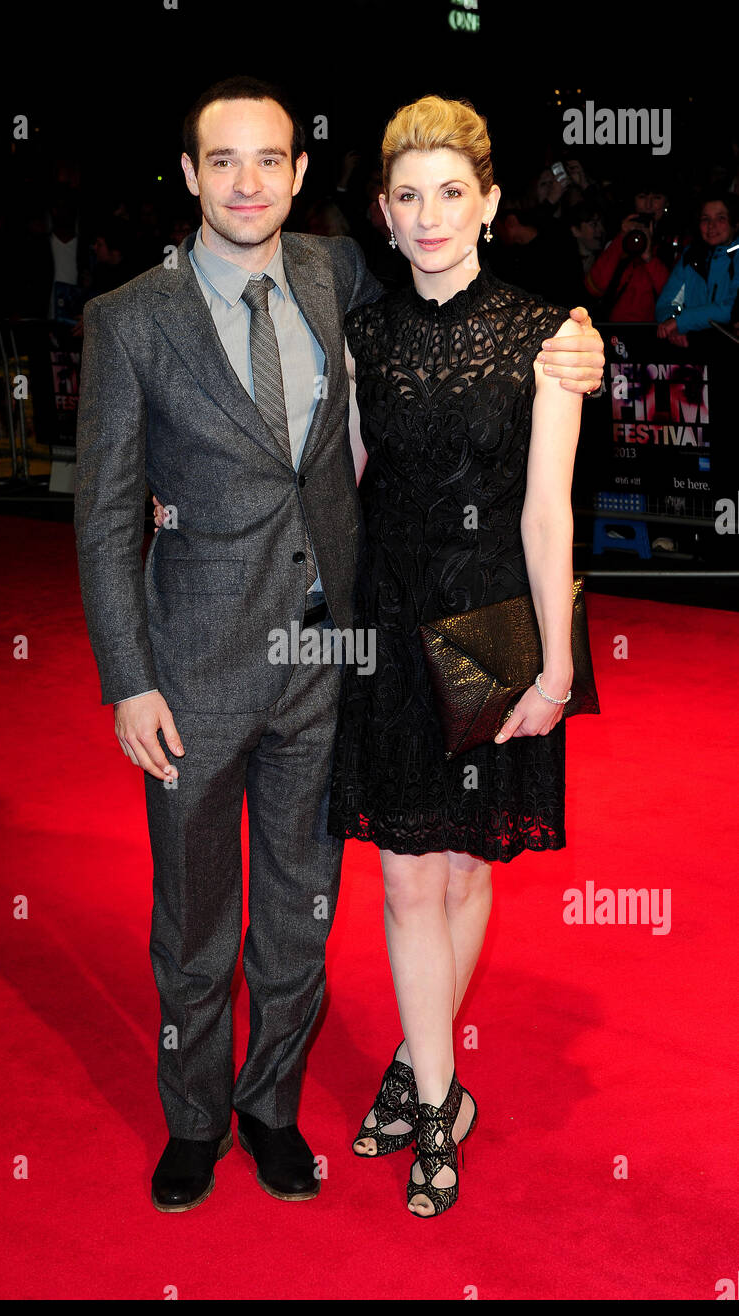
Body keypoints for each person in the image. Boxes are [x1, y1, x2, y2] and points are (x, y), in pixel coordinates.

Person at [79, 74, 605, 1218]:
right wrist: (130, 677)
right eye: (225, 161)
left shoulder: (338, 280)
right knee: (212, 907)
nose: (250, 181)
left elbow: (532, 455)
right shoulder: (141, 316)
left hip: (405, 640)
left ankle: (290, 1105)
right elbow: (107, 511)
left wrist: (587, 345)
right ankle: (199, 1118)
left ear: (303, 177)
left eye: (271, 159)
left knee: (359, 891)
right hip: (240, 652)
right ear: (189, 175)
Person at [325, 95, 587, 1218]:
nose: (430, 216)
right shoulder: (364, 336)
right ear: (385, 215)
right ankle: (440, 1102)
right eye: (408, 196)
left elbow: (546, 516)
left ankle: (415, 1061)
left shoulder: (549, 337)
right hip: (389, 624)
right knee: (402, 871)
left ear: (488, 204)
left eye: (451, 192)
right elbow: (337, 491)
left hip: (489, 631)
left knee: (469, 865)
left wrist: (558, 665)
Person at [655, 191, 739, 348]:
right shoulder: (692, 255)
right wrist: (671, 323)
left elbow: (732, 308)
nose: (711, 225)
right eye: (705, 219)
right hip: (695, 348)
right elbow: (666, 303)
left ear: (735, 223)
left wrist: (682, 322)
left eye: (721, 218)